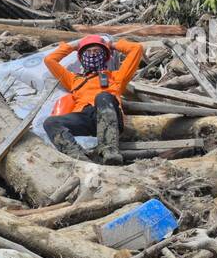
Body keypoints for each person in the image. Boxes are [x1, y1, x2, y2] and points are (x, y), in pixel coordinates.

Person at [41, 34, 143, 165]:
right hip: (84, 118)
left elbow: (137, 49)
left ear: (104, 55)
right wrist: (72, 47)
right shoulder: (74, 80)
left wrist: (111, 45)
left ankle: (109, 151)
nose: (93, 55)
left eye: (97, 51)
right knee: (50, 122)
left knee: (103, 96)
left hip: (108, 115)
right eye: (88, 52)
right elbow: (50, 60)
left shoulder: (116, 77)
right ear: (82, 57)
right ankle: (77, 157)